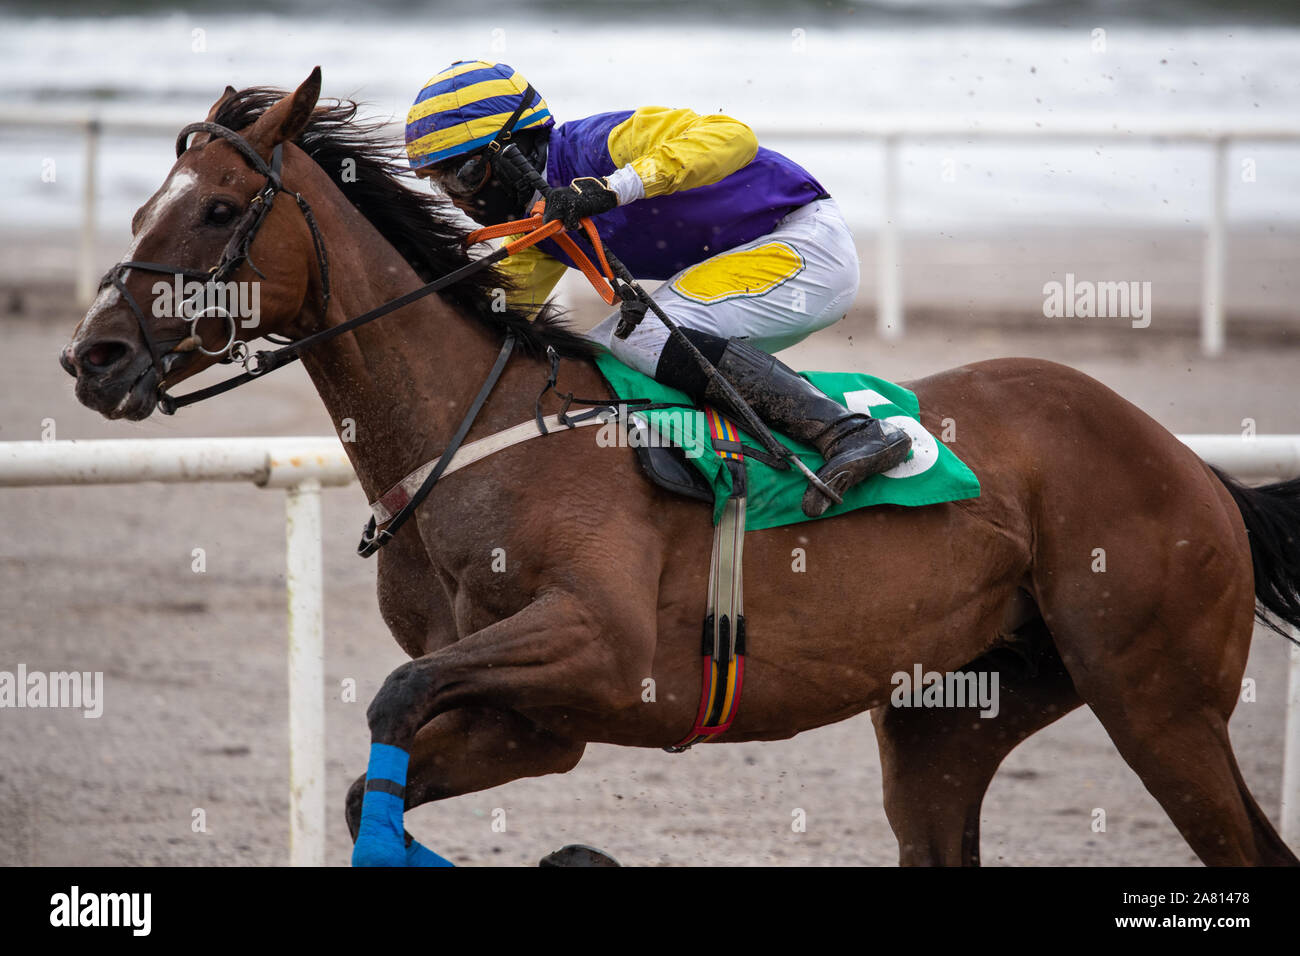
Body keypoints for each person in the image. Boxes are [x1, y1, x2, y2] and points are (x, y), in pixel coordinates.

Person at [405, 60, 911, 516]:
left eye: (465, 175)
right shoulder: (534, 225)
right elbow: (498, 319)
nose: (455, 200)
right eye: (439, 183)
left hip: (803, 246)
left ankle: (848, 431)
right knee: (594, 361)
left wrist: (611, 187)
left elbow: (733, 136)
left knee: (638, 337)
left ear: (512, 150)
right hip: (743, 265)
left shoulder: (597, 143)